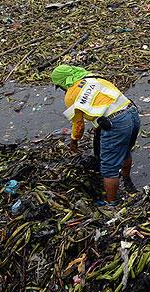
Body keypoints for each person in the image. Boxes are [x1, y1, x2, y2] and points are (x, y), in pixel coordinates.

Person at [51, 65, 140, 205]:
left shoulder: (70, 95)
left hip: (115, 122)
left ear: (63, 82)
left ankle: (111, 204)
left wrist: (74, 141)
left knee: (109, 168)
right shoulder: (94, 78)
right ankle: (127, 180)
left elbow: (79, 125)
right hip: (132, 112)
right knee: (124, 151)